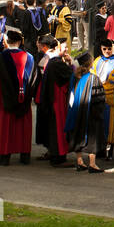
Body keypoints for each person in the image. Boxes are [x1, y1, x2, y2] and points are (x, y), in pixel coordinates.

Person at [0, 26, 36, 166]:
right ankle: (25, 157)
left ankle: (5, 157)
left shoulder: (0, 58)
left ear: (8, 41)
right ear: (19, 42)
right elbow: (35, 80)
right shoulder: (29, 58)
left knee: (6, 129)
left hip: (5, 100)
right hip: (25, 100)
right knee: (24, 129)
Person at [34, 36, 73, 167]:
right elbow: (71, 75)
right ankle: (58, 157)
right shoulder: (56, 62)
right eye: (64, 47)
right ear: (56, 47)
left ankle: (55, 154)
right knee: (58, 128)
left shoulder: (50, 61)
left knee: (54, 128)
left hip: (52, 100)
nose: (66, 49)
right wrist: (73, 64)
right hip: (58, 101)